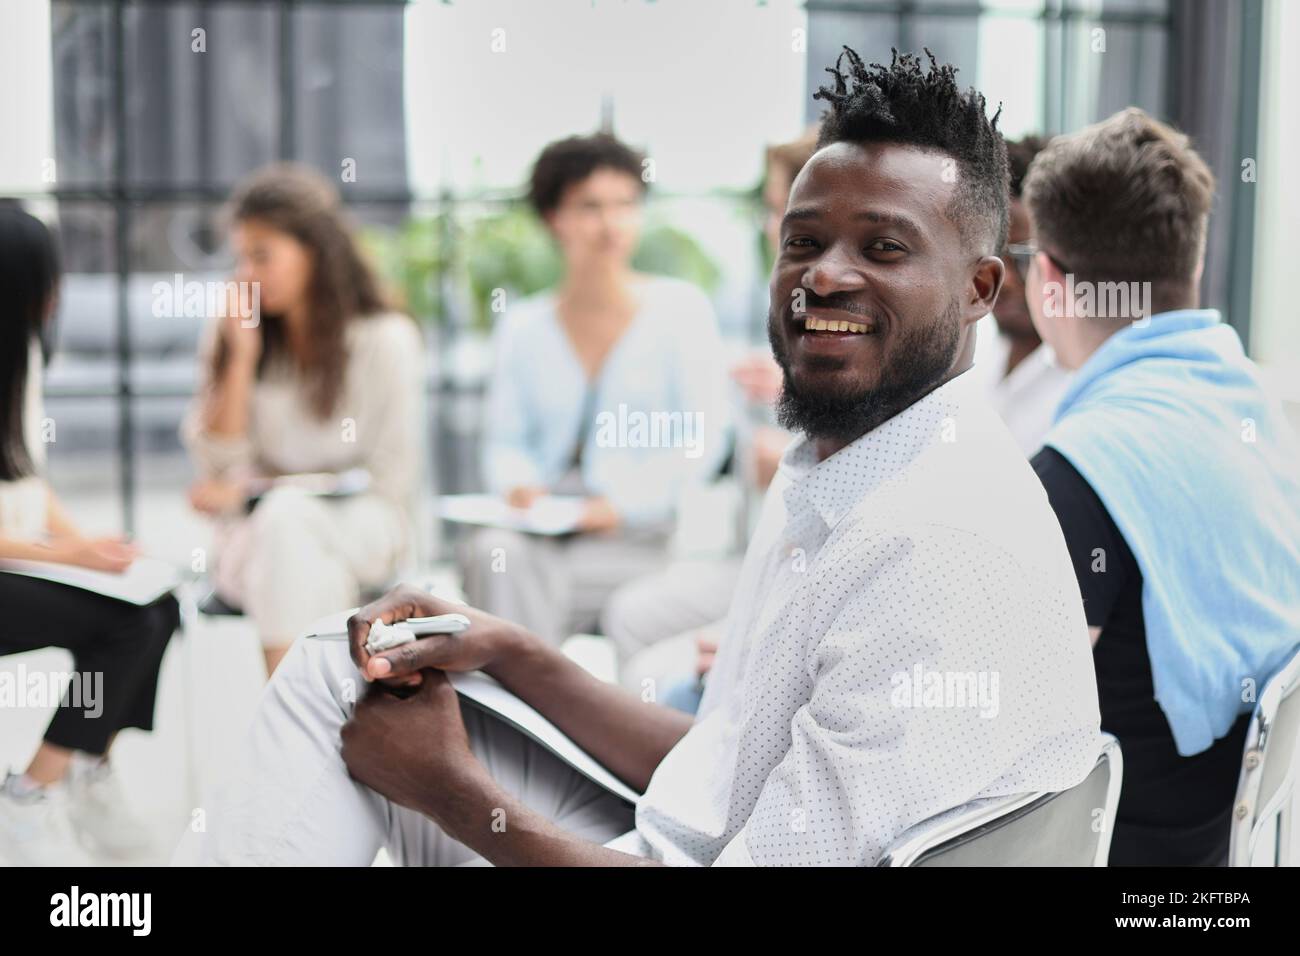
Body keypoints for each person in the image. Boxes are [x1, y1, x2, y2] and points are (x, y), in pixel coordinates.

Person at [173, 49, 1101, 867]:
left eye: (884, 247)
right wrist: (516, 651)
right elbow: (722, 759)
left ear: (982, 286)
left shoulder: (927, 549)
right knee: (347, 666)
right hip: (665, 826)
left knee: (339, 698)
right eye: (804, 242)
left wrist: (452, 792)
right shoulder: (863, 464)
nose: (824, 275)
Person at [1022, 107, 1300, 865]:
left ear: (1047, 281)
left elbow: (1013, 738)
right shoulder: (1251, 409)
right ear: (1195, 268)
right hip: (1213, 849)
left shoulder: (1076, 475)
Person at [458, 133, 731, 647]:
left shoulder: (680, 311)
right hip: (541, 533)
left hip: (636, 541)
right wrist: (518, 485)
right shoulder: (523, 327)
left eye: (625, 205)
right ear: (552, 219)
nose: (611, 226)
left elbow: (704, 439)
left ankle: (516, 716)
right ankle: (540, 706)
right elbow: (505, 442)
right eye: (590, 207)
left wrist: (621, 506)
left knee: (500, 574)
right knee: (496, 551)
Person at [603, 129, 819, 709]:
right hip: (760, 553)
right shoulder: (791, 314)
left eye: (778, 210)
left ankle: (667, 762)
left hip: (802, 574)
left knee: (649, 660)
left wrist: (792, 448)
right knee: (631, 614)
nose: (768, 227)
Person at [182, 164, 425, 675]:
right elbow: (219, 462)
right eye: (241, 256)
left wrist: (261, 493)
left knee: (288, 523)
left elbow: (391, 480)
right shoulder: (238, 333)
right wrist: (241, 358)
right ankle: (313, 728)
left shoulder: (384, 339)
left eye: (263, 255)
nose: (247, 272)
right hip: (257, 532)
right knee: (288, 534)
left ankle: (289, 721)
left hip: (364, 520)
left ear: (314, 252)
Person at [0, 204, 179, 865]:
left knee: (156, 604)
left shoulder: (14, 357)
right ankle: (28, 794)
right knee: (127, 623)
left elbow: (21, 479)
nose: (58, 293)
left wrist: (89, 546)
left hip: (16, 567)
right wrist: (64, 554)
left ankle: (82, 768)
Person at [970, 134, 1071, 455]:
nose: (1004, 281)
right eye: (992, 257)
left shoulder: (1083, 388)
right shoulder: (968, 355)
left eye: (1023, 259)